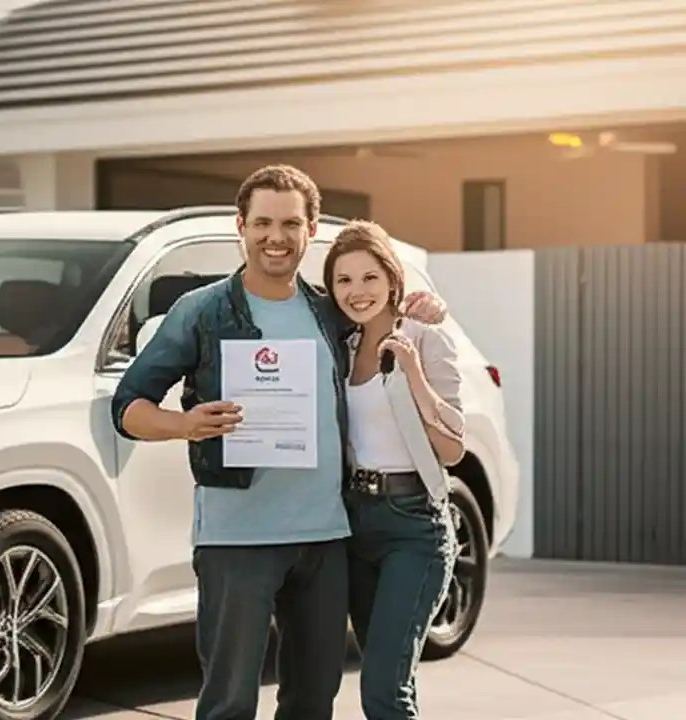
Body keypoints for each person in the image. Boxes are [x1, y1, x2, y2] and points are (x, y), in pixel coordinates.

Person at [110, 164, 447, 720]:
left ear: (310, 230)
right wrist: (185, 423)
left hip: (325, 539)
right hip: (236, 540)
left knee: (312, 702)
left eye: (291, 224)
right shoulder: (202, 311)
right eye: (263, 223)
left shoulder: (329, 312)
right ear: (240, 226)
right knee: (230, 704)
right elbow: (128, 408)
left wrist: (429, 305)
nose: (276, 237)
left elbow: (384, 308)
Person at [323, 219, 463, 720]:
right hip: (355, 524)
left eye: (369, 277)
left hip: (413, 526)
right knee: (387, 679)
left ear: (391, 279)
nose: (357, 291)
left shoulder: (425, 337)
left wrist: (413, 375)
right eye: (344, 280)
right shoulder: (340, 345)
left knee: (383, 690)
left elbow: (453, 450)